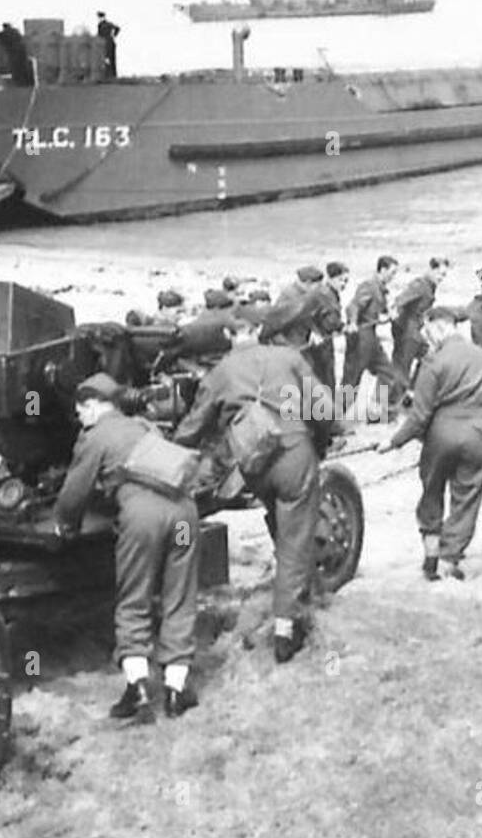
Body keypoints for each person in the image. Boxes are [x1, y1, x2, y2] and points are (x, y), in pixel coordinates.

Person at [174, 308, 340, 663]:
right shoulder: (288, 358)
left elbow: (192, 428)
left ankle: (301, 586)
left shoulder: (220, 372)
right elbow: (325, 410)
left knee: (282, 524)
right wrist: (321, 440)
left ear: (230, 337)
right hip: (294, 453)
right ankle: (285, 630)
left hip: (252, 463)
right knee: (296, 534)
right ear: (260, 331)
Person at [53, 373, 200, 720]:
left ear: (91, 406)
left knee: (135, 596)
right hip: (183, 514)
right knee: (179, 595)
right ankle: (177, 688)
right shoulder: (145, 426)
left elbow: (74, 494)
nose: (80, 419)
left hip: (143, 519)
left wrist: (65, 526)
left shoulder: (95, 436)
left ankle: (137, 686)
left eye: (81, 412)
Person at [379, 306, 482, 580]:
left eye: (428, 330)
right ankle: (450, 556)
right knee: (466, 499)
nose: (426, 337)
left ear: (440, 326)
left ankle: (431, 555)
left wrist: (393, 441)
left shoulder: (433, 362)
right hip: (478, 434)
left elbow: (419, 416)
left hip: (441, 436)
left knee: (432, 491)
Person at [343, 256, 406, 417]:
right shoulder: (368, 286)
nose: (393, 276)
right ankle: (333, 419)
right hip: (360, 337)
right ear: (382, 270)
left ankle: (375, 411)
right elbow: (353, 306)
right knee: (351, 381)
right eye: (392, 272)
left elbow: (379, 309)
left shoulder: (381, 289)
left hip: (371, 337)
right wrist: (352, 323)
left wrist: (388, 313)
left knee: (387, 372)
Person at [391, 257, 450, 386]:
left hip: (416, 332)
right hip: (408, 333)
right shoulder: (420, 284)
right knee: (399, 371)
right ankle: (382, 402)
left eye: (444, 275)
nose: (441, 278)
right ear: (431, 270)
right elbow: (400, 300)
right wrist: (394, 311)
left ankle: (411, 392)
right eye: (440, 274)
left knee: (429, 359)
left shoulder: (430, 286)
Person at [306, 261, 348, 392]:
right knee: (324, 378)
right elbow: (329, 319)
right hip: (319, 342)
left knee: (324, 378)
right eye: (341, 280)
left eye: (346, 281)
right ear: (330, 279)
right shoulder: (324, 294)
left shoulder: (331, 293)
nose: (344, 284)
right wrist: (342, 327)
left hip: (324, 340)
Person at [0, 21, 34, 86]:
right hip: (21, 52)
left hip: (15, 54)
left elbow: (0, 36)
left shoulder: (7, 33)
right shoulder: (16, 31)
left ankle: (21, 83)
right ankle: (25, 83)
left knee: (17, 70)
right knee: (22, 69)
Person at [96, 12, 120, 78]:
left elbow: (117, 28)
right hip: (107, 43)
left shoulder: (106, 24)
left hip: (107, 43)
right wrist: (114, 35)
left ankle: (110, 75)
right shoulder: (102, 24)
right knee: (109, 59)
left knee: (108, 58)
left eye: (99, 17)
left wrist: (114, 35)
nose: (99, 19)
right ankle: (110, 75)